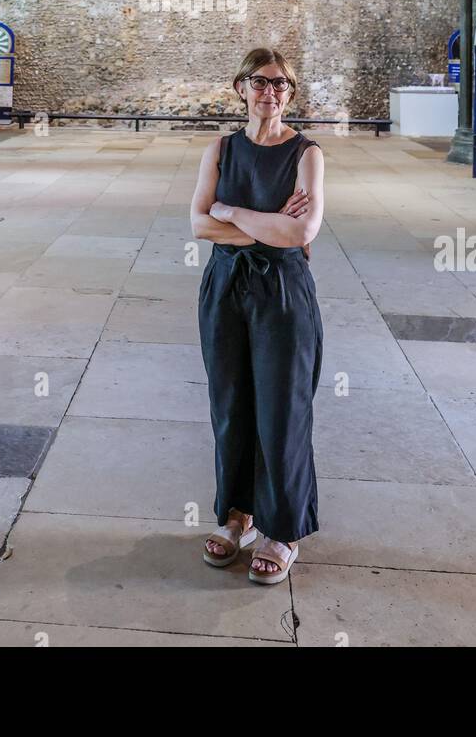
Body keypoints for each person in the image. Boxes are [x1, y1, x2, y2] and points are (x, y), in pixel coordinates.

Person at [189, 47, 324, 583]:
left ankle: (281, 529)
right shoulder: (220, 149)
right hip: (225, 286)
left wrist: (232, 211)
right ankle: (238, 515)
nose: (271, 92)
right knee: (231, 405)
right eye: (260, 82)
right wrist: (266, 225)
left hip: (283, 295)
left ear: (290, 93)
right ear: (241, 87)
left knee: (282, 412)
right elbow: (198, 226)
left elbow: (299, 235)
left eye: (281, 84)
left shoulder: (306, 154)